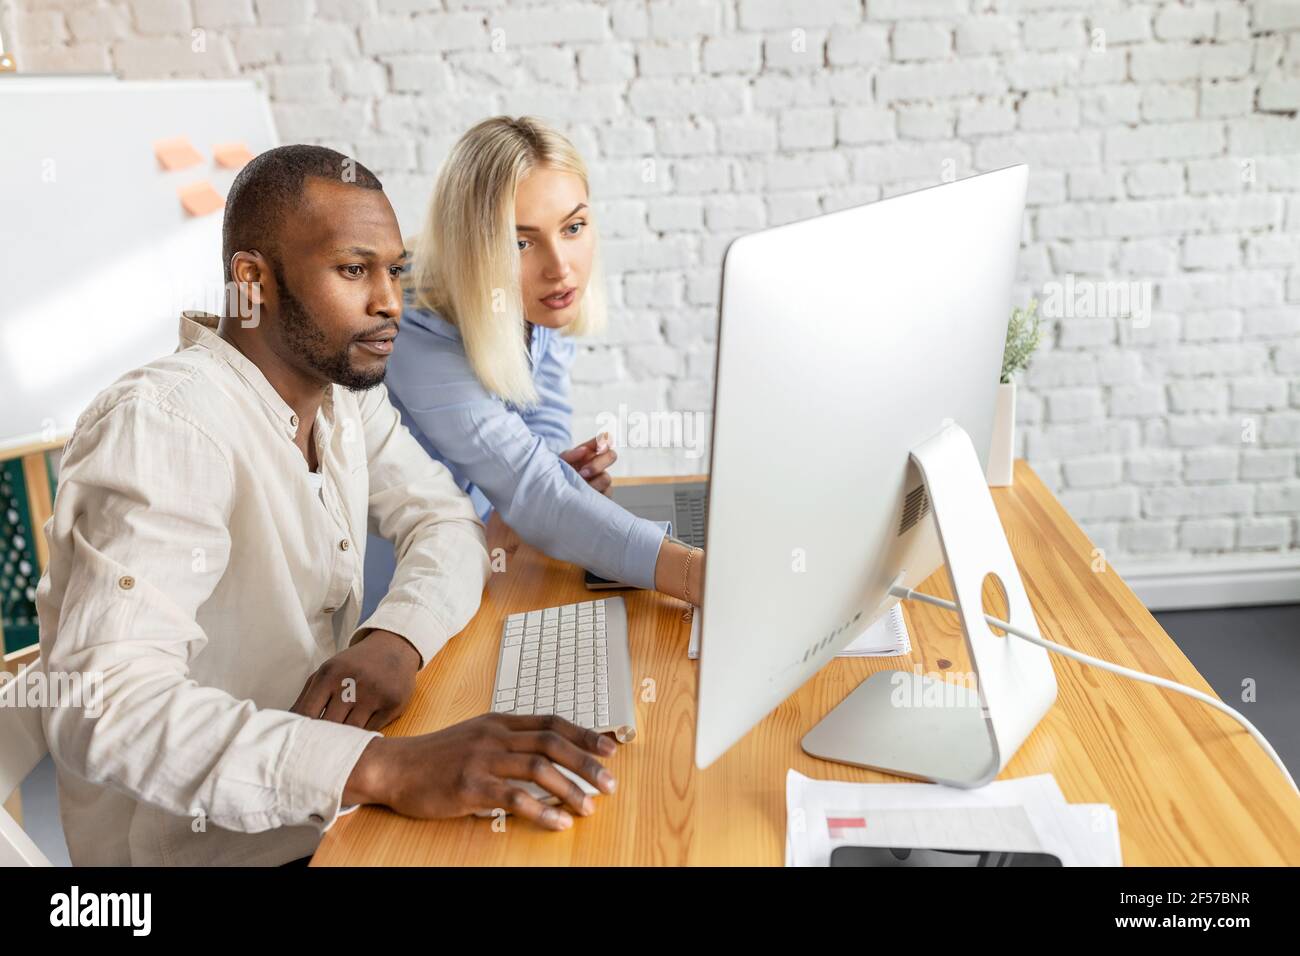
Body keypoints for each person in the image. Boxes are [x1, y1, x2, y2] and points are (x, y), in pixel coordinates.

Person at [36, 145, 615, 866]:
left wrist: (397, 639)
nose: (390, 302)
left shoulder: (339, 399)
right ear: (254, 280)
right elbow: (104, 709)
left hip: (328, 813)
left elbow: (442, 520)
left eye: (395, 270)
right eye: (353, 270)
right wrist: (383, 767)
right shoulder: (163, 426)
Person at [363, 116, 705, 618]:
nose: (561, 266)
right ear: (474, 249)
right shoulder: (412, 329)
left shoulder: (537, 299)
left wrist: (555, 470)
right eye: (521, 242)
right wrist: (696, 574)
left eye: (573, 227)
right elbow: (533, 490)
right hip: (405, 598)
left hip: (490, 560)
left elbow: (540, 432)